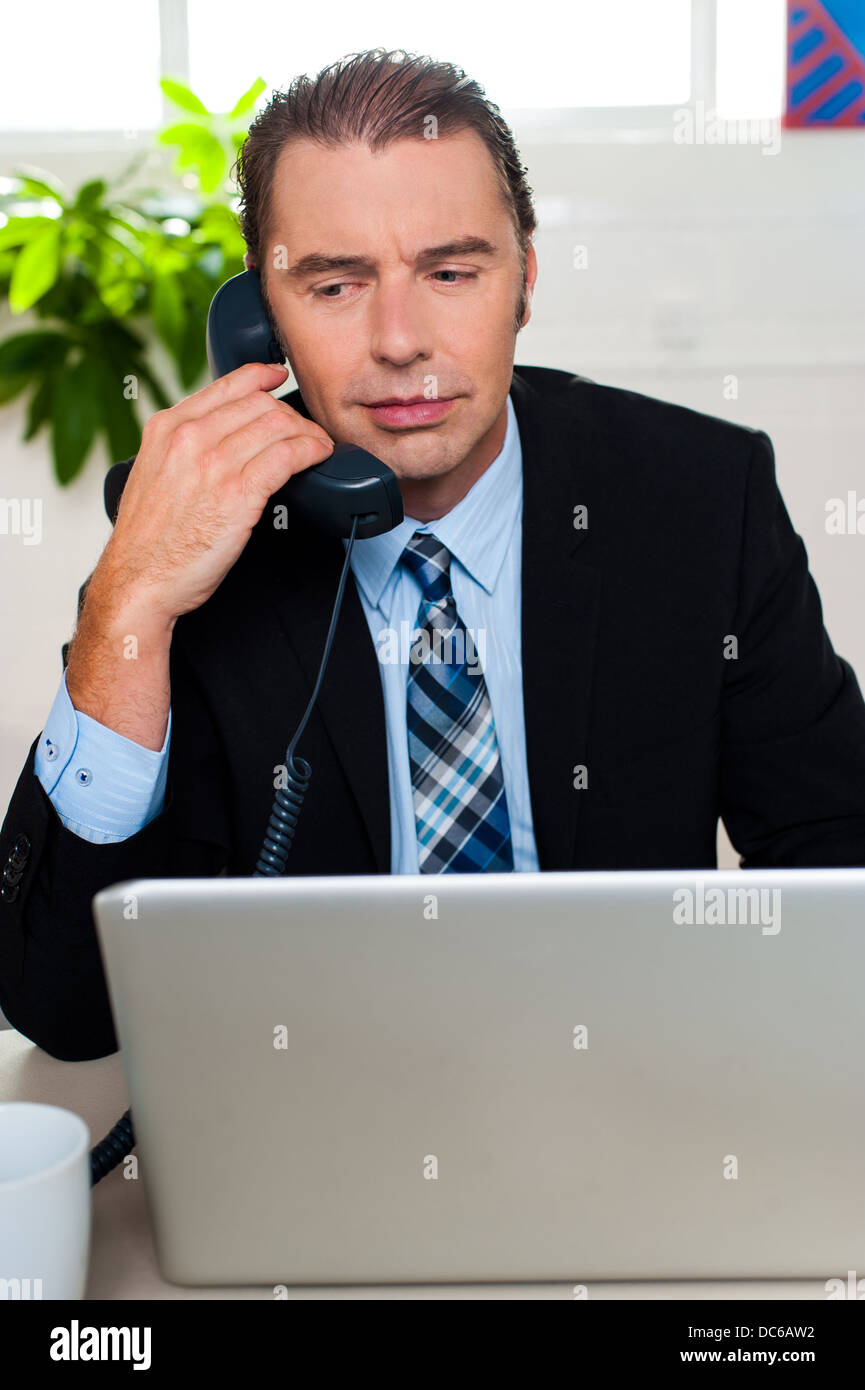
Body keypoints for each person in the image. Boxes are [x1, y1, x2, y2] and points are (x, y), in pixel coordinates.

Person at [2, 49, 865, 1063]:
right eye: (335, 284)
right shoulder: (199, 541)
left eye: (450, 272)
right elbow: (61, 1009)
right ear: (262, 321)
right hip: (319, 1103)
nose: (400, 340)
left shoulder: (700, 499)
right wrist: (127, 609)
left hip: (635, 1090)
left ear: (526, 280)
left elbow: (834, 860)